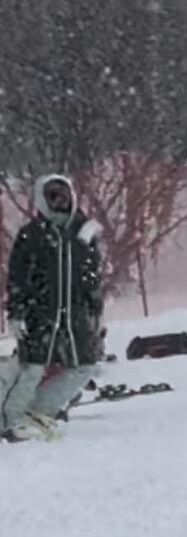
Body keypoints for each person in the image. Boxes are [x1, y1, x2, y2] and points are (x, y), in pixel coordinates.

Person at [1, 174, 104, 440]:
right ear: (41, 200)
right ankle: (10, 420)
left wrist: (95, 307)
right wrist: (16, 312)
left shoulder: (85, 231)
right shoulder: (32, 234)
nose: (60, 201)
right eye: (52, 196)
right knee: (31, 367)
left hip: (75, 314)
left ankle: (40, 411)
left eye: (63, 194)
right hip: (40, 313)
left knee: (85, 365)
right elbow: (18, 277)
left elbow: (93, 273)